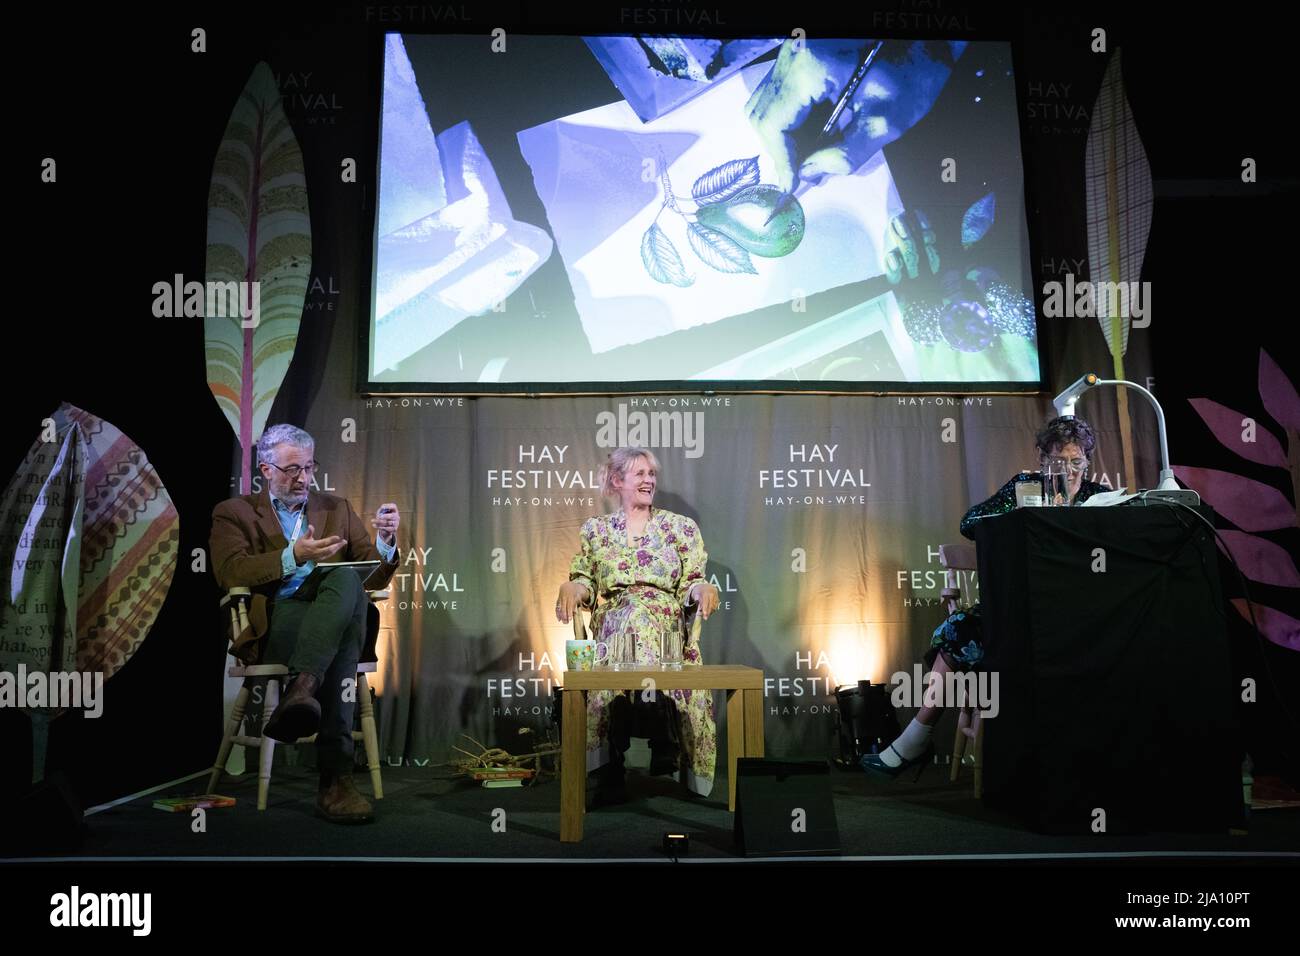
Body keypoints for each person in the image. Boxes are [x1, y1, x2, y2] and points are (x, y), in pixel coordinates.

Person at [862, 415, 1107, 777]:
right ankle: (916, 737)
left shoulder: (1099, 498)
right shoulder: (1026, 488)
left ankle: (915, 741)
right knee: (960, 627)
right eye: (1058, 462)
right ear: (1043, 460)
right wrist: (1018, 517)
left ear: (1087, 463)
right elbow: (970, 522)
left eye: (1077, 462)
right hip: (1022, 612)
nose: (1069, 471)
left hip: (1079, 616)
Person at [209, 424, 401, 822]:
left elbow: (373, 575)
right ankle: (336, 780)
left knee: (345, 577)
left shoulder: (337, 508)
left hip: (325, 617)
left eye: (309, 468)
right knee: (344, 631)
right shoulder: (234, 513)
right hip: (277, 620)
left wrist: (386, 541)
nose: (303, 478)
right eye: (292, 470)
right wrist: (292, 555)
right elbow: (230, 571)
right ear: (266, 469)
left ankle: (303, 688)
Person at [555, 447, 720, 801]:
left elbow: (691, 579)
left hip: (666, 630)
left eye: (652, 474)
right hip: (613, 625)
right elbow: (586, 582)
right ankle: (662, 733)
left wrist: (701, 588)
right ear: (617, 481)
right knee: (628, 613)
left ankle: (631, 747)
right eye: (640, 474)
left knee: (640, 616)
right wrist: (573, 586)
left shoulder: (681, 528)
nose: (649, 480)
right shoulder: (596, 531)